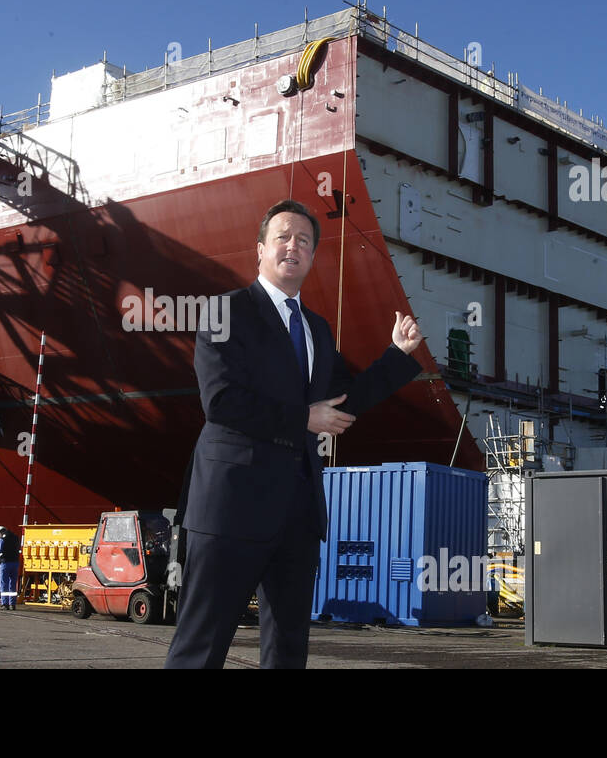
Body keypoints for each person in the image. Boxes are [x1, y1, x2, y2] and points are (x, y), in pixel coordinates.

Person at [164, 199, 423, 669]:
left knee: (287, 650)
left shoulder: (317, 330)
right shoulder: (226, 311)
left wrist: (397, 357)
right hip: (230, 510)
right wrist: (303, 418)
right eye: (283, 236)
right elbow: (221, 401)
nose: (293, 245)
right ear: (259, 250)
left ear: (313, 258)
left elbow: (341, 403)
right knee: (201, 646)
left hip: (298, 515)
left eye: (304, 240)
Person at [0, 526, 21, 610]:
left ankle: (5, 604)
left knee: (4, 584)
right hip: (15, 563)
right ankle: (12, 604)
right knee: (13, 584)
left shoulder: (2, 540)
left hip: (5, 563)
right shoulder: (16, 538)